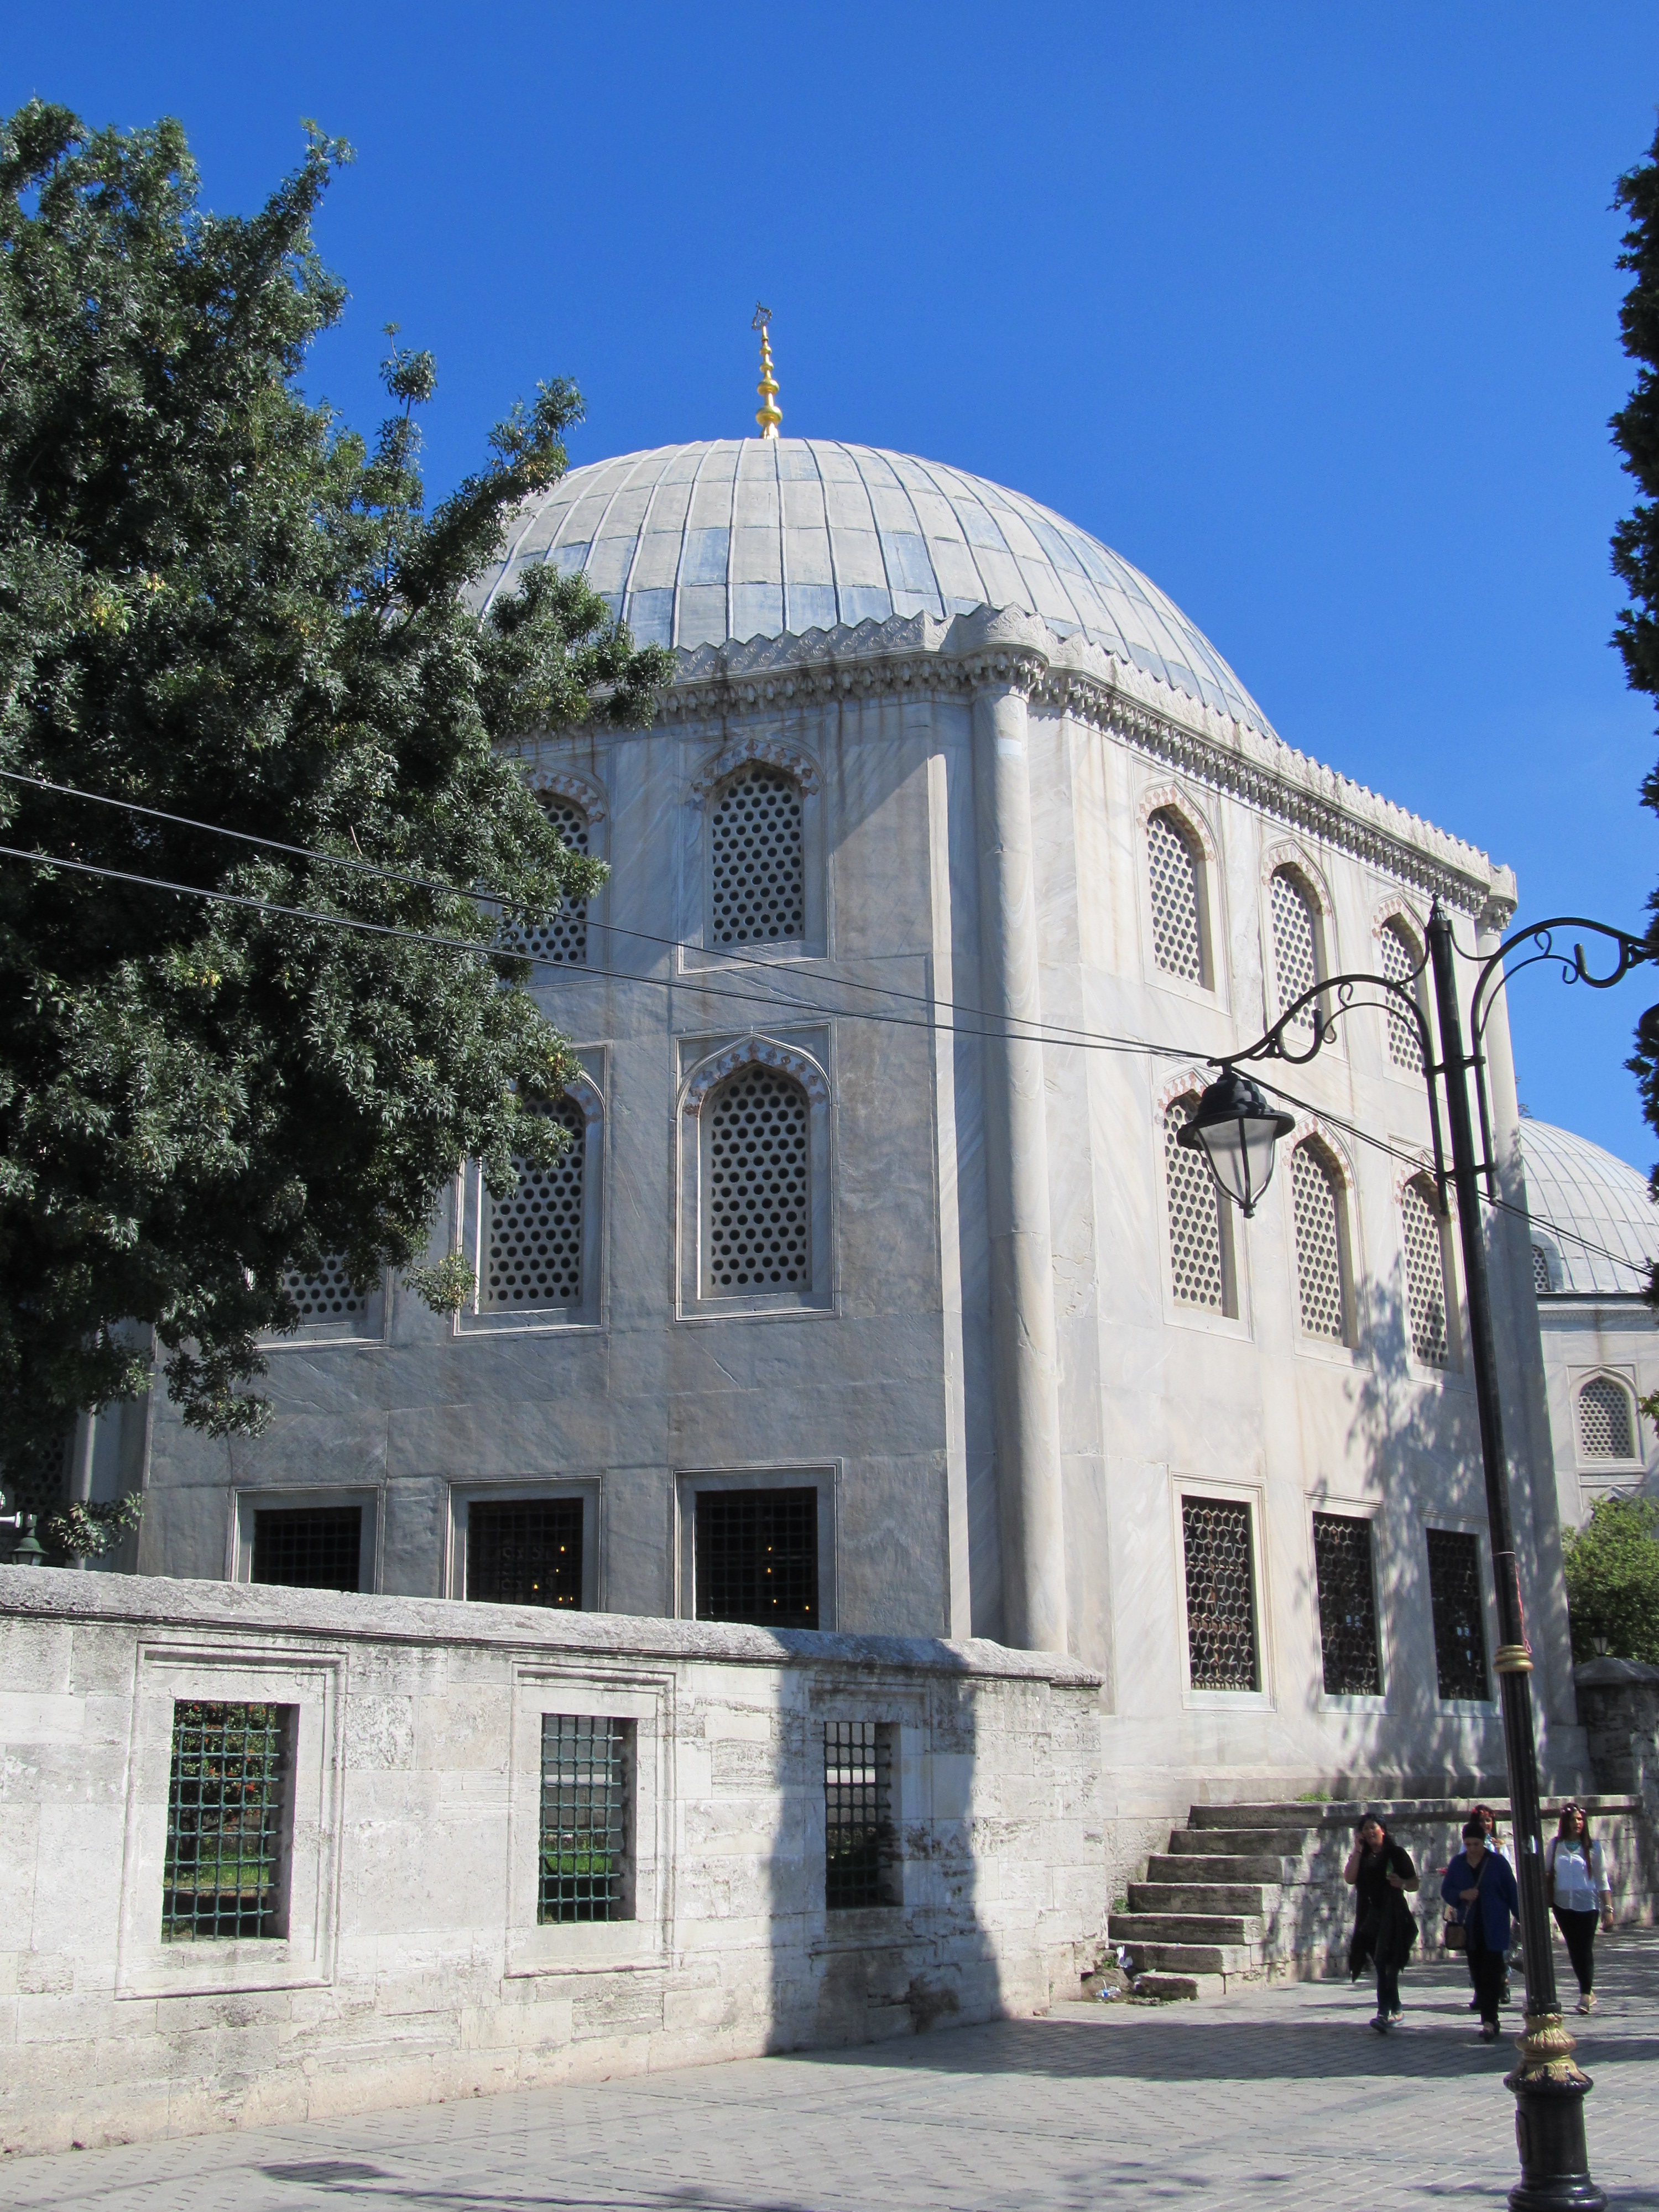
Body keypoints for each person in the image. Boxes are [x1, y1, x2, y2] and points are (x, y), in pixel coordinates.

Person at [1443, 1817, 1520, 2042]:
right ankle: (1490, 2016)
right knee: (1477, 1973)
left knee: (1491, 1973)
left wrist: (1520, 1917)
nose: (1472, 1849)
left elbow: (1512, 1891)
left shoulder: (1497, 1863)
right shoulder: (1458, 1864)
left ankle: (1489, 2020)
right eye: (1468, 1844)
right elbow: (1447, 1890)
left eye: (1476, 1844)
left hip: (1495, 1926)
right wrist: (1462, 1895)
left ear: (1484, 1842)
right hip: (1470, 1928)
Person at [1344, 1813, 1419, 2033]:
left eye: (1373, 1828)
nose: (1369, 1832)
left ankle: (1383, 2013)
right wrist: (1358, 1850)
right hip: (1370, 1918)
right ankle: (1396, 2009)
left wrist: (1402, 1883)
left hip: (1394, 1916)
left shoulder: (1396, 1854)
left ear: (1383, 1830)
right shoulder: (1362, 1856)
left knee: (1389, 1965)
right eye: (1365, 1829)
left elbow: (1414, 1883)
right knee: (1381, 1966)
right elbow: (1349, 1878)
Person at [1546, 1803, 1613, 2015]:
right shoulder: (1556, 1845)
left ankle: (1585, 1994)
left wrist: (1608, 1908)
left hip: (1588, 1905)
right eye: (1573, 1820)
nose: (1577, 1823)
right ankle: (1588, 1990)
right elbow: (1547, 1872)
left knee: (1585, 1949)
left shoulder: (1593, 1847)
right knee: (1574, 1949)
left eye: (1580, 1820)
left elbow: (1602, 1879)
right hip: (1562, 1904)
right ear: (1565, 1822)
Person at [1466, 1804, 1514, 2009]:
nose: (1486, 1824)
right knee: (1477, 1948)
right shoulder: (1468, 1846)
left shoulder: (1500, 1846)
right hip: (1475, 1904)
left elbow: (1508, 1874)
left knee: (1498, 1948)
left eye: (1489, 1821)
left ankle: (1502, 1982)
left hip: (1496, 1905)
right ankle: (1480, 1990)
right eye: (1481, 1821)